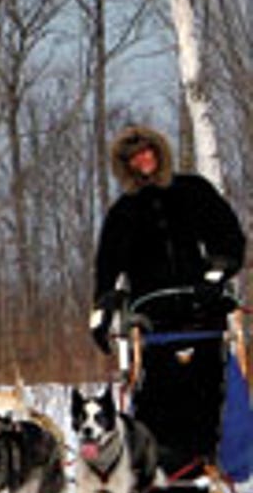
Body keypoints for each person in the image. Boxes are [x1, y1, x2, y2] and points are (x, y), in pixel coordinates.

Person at [91, 124, 244, 352]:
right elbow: (107, 268)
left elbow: (227, 237)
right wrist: (101, 316)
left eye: (145, 151)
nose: (142, 160)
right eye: (133, 157)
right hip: (151, 319)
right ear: (126, 166)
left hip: (202, 309)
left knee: (217, 379)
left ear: (157, 151)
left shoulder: (194, 190)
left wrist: (215, 277)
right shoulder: (122, 213)